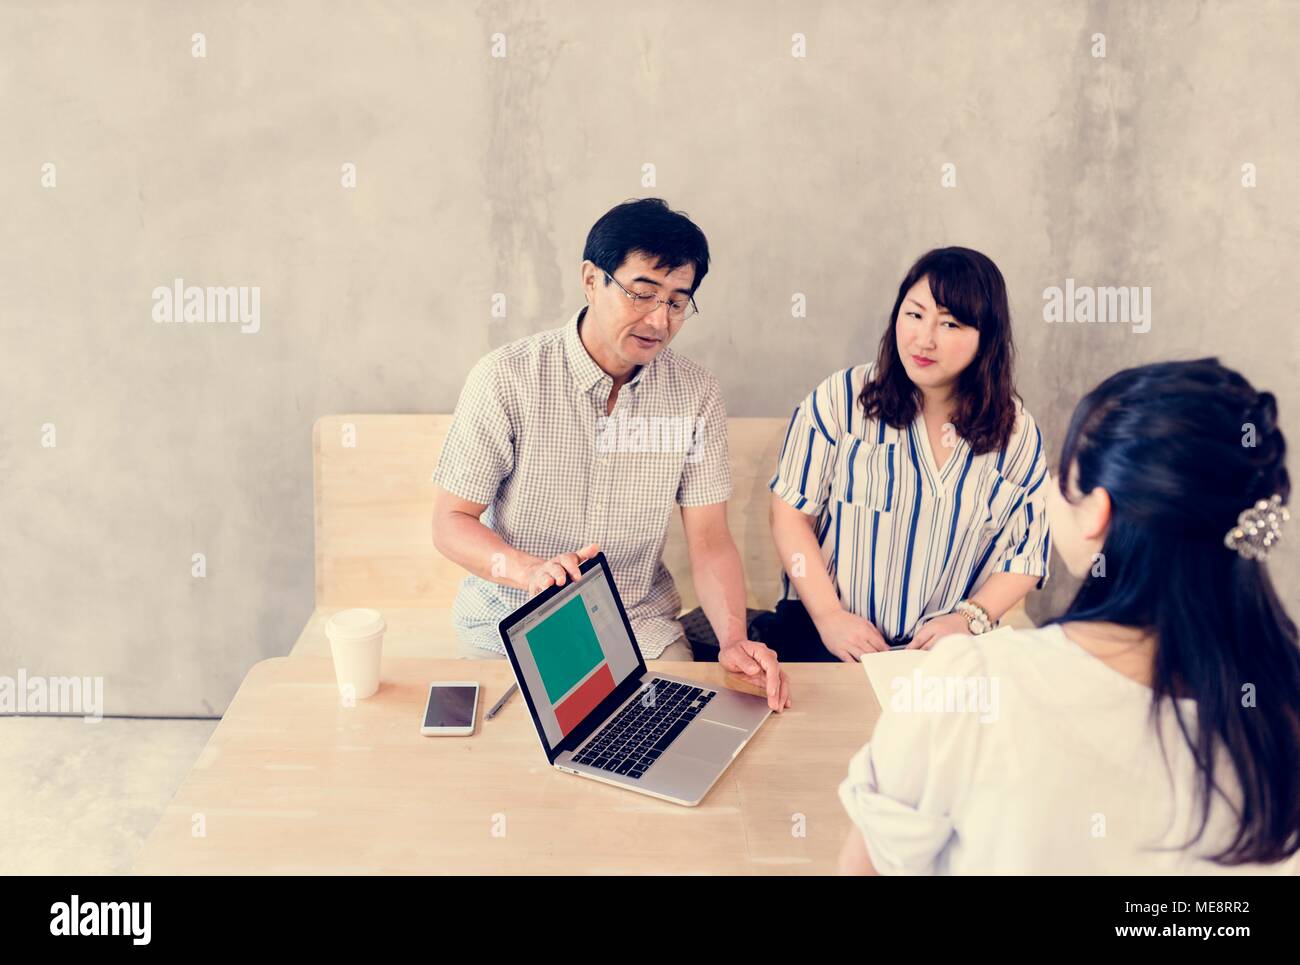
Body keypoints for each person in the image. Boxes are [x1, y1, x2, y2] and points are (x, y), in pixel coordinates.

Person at [838, 358, 1300, 873]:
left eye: (1064, 471)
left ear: (1097, 512)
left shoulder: (975, 681)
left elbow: (866, 865)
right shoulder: (1279, 715)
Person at [432, 198, 789, 711]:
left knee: (666, 740)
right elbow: (450, 522)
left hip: (637, 626)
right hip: (511, 621)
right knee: (514, 753)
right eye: (642, 294)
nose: (659, 320)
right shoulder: (506, 378)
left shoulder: (696, 394)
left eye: (677, 302)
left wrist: (733, 638)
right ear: (590, 280)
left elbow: (710, 540)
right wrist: (528, 572)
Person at [765, 247, 1050, 660]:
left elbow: (1027, 554)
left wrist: (968, 620)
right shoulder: (841, 400)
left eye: (949, 323)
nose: (923, 339)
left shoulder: (1017, 433)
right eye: (914, 314)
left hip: (944, 650)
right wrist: (830, 618)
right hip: (824, 637)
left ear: (986, 338)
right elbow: (790, 516)